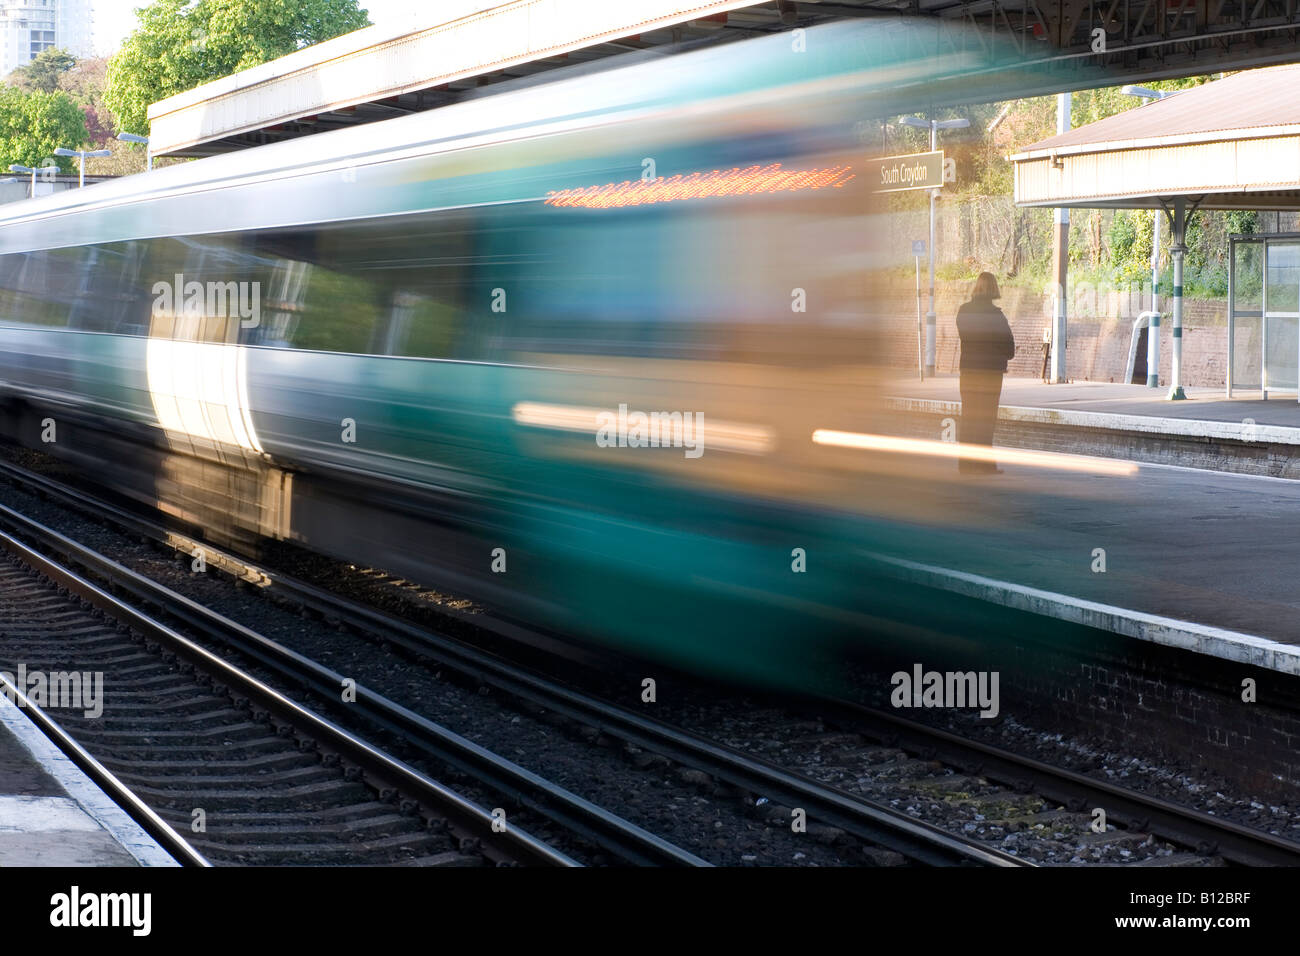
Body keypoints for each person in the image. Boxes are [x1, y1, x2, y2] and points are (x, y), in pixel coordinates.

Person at [955, 272, 1016, 475]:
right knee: (986, 419)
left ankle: (965, 464)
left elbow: (964, 337)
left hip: (969, 372)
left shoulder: (963, 312)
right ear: (994, 290)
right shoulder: (996, 316)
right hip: (990, 374)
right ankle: (983, 465)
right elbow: (1009, 348)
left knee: (969, 417)